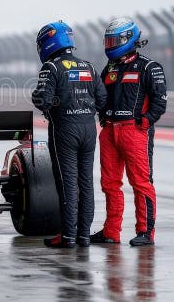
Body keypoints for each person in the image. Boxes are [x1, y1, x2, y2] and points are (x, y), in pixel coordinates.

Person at [91, 17, 167, 247]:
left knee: (141, 183)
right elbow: (100, 96)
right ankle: (111, 232)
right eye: (109, 40)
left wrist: (145, 122)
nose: (111, 45)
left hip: (134, 132)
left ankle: (145, 232)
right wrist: (103, 117)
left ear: (128, 39)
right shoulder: (109, 68)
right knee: (109, 183)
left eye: (115, 40)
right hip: (109, 131)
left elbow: (160, 101)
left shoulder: (149, 67)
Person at [32, 21, 106, 248]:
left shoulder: (51, 67)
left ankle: (68, 237)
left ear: (48, 43)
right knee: (86, 184)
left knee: (67, 184)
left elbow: (43, 100)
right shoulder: (88, 66)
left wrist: (39, 97)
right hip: (88, 130)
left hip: (65, 130)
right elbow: (102, 100)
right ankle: (83, 236)